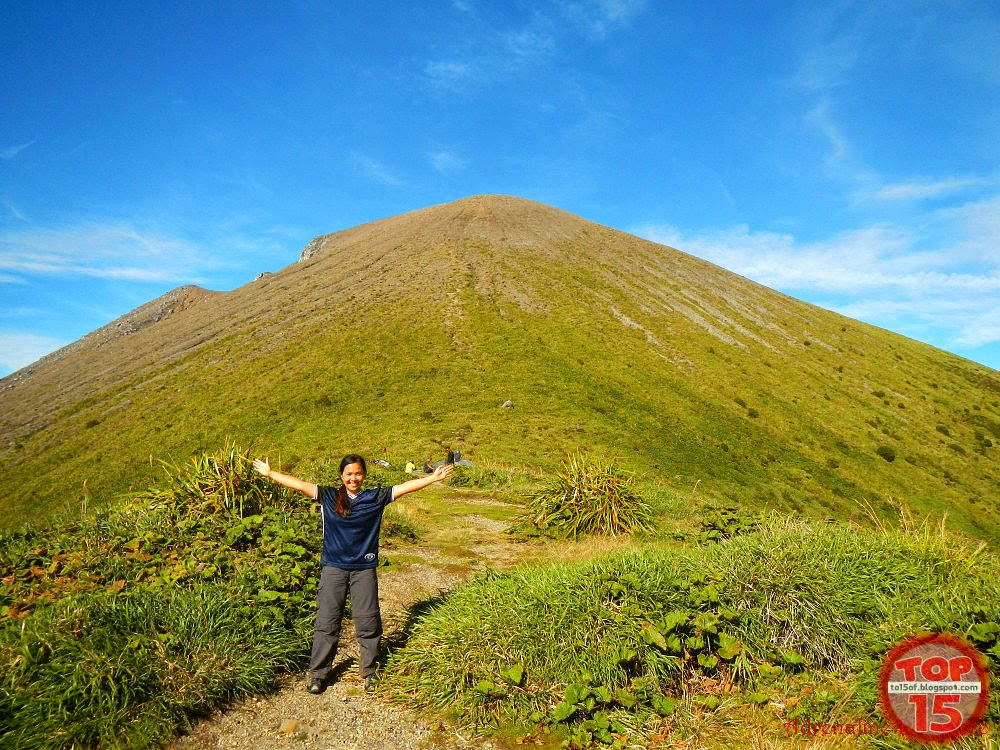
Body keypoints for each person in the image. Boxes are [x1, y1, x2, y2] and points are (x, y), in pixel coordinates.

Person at [252, 453, 453, 694]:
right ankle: (318, 674)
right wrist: (271, 474)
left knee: (368, 621)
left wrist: (432, 478)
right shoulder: (329, 496)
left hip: (364, 568)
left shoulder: (375, 497)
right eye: (349, 474)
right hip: (333, 567)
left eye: (358, 473)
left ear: (364, 475)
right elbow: (300, 485)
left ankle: (369, 671)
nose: (353, 478)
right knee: (327, 621)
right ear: (341, 475)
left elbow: (404, 488)